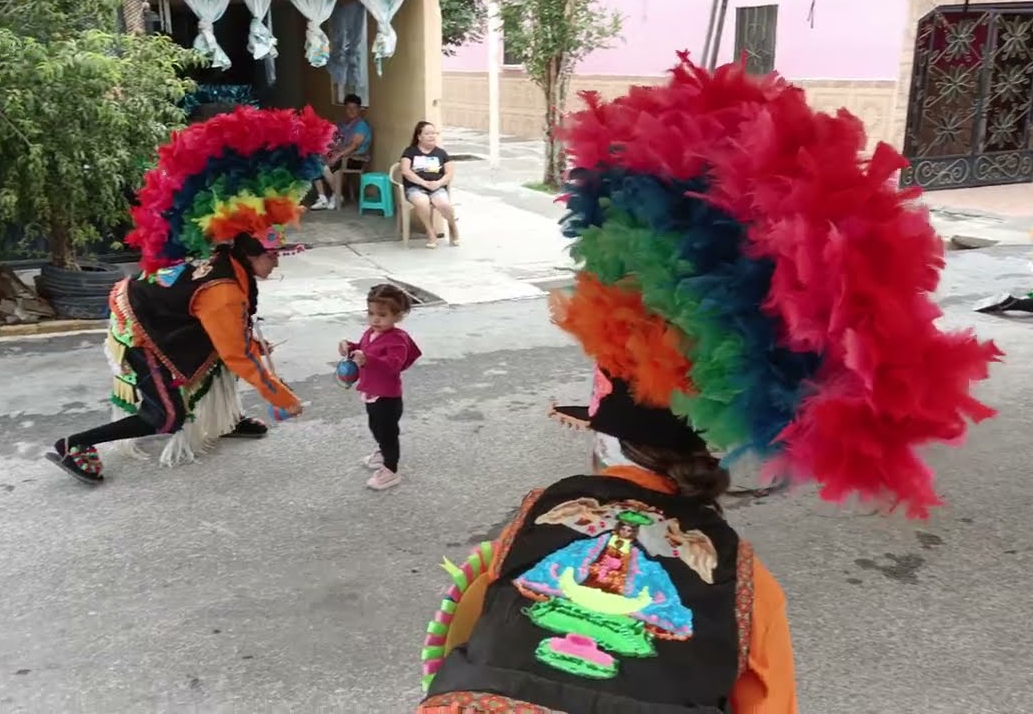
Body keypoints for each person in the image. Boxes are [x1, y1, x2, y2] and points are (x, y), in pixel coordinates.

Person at [414, 54, 1002, 713]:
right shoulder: (746, 583)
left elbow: (447, 659)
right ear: (721, 443)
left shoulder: (527, 529)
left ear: (602, 436)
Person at [46, 106, 335, 484]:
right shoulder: (224, 290)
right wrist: (281, 396)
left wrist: (253, 347)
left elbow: (233, 334)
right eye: (273, 256)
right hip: (142, 327)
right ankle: (75, 443)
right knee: (165, 417)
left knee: (214, 359)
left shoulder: (231, 265)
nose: (276, 265)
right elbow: (236, 354)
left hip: (162, 311)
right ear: (251, 254)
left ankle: (224, 420)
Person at [338, 284, 422, 491]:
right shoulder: (371, 332)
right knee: (375, 427)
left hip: (387, 396)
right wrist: (351, 347)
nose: (375, 319)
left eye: (382, 315)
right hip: (371, 391)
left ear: (398, 316)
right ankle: (383, 453)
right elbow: (365, 348)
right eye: (371, 313)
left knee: (387, 434)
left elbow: (393, 365)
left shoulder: (397, 340)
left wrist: (367, 360)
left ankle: (391, 470)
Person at [400, 121, 460, 248]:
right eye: (427, 133)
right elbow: (405, 171)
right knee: (422, 202)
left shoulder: (441, 153)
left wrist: (438, 183)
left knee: (444, 204)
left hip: (436, 187)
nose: (432, 136)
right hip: (415, 187)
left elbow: (449, 173)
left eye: (434, 133)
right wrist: (424, 183)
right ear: (419, 136)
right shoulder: (410, 151)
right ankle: (430, 232)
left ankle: (453, 226)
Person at [311, 94, 373, 211]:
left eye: (354, 108)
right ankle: (323, 198)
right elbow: (335, 140)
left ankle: (337, 195)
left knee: (327, 166)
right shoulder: (344, 125)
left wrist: (337, 155)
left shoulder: (361, 125)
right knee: (314, 160)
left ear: (359, 109)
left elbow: (354, 146)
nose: (351, 111)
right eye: (349, 108)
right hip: (342, 156)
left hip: (355, 158)